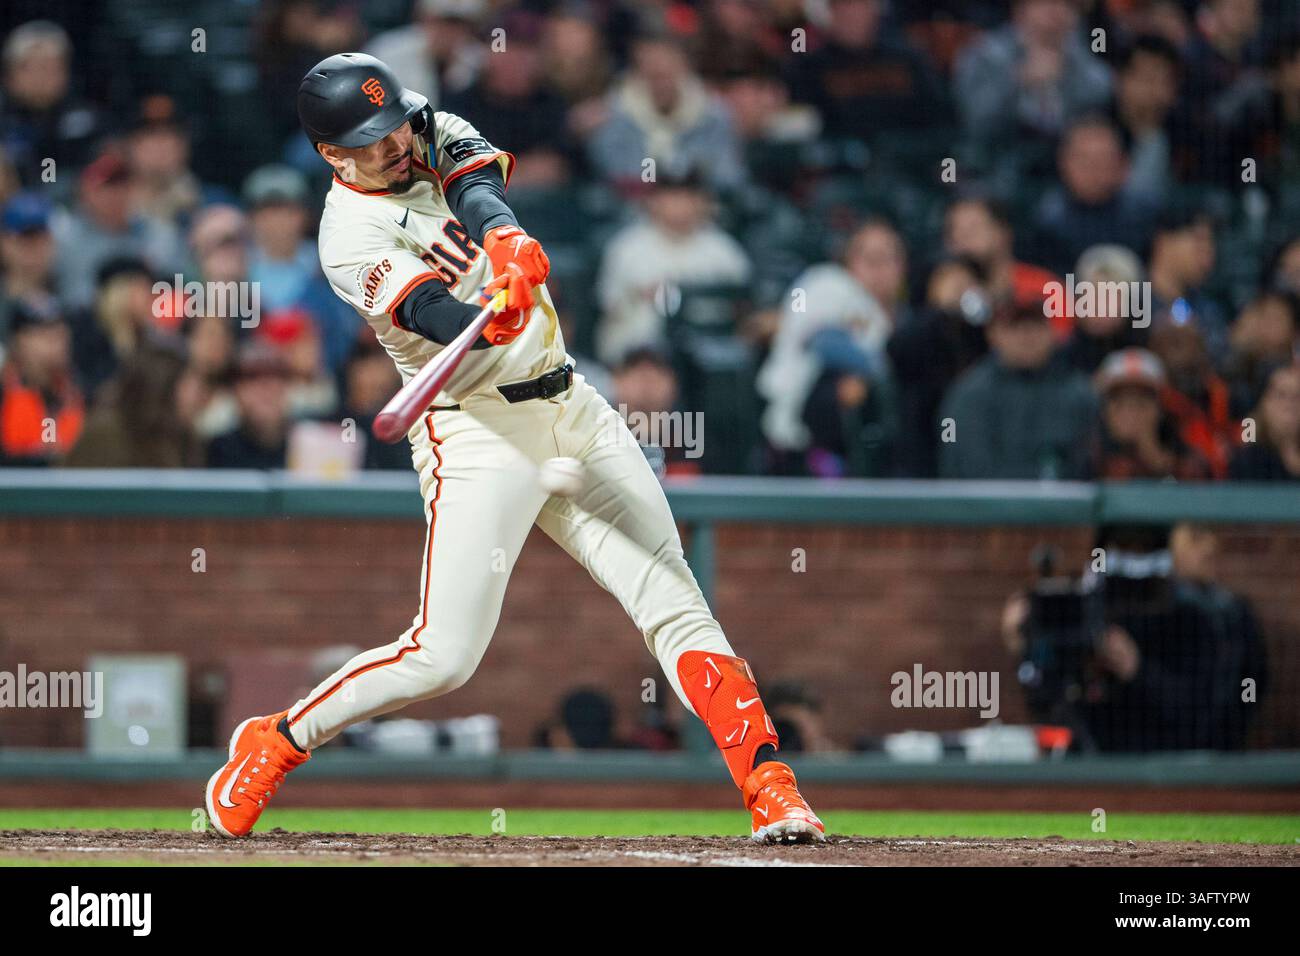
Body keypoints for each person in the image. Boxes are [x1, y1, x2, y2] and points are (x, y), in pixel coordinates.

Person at [204, 53, 823, 845]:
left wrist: (505, 239)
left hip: (573, 405)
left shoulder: (421, 127)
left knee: (672, 598)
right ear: (331, 155)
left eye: (395, 124)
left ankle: (771, 788)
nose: (395, 143)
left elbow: (472, 179)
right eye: (372, 138)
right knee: (444, 656)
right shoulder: (345, 235)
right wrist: (484, 319)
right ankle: (279, 739)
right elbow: (427, 311)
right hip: (473, 426)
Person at [593, 169, 750, 365]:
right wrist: (643, 295)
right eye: (672, 196)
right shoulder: (627, 247)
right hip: (643, 351)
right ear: (653, 201)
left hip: (707, 345)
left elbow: (742, 308)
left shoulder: (724, 250)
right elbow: (609, 306)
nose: (680, 204)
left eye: (688, 196)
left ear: (703, 201)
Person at [938, 296, 1096, 479]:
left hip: (1064, 505)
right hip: (985, 504)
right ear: (993, 334)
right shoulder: (968, 394)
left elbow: (1089, 466)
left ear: (1052, 333)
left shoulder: (1079, 393)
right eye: (1014, 326)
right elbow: (961, 462)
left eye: (1036, 326)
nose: (1027, 336)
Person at [1087, 347, 1211, 481]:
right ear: (1106, 410)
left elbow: (1201, 491)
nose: (1130, 412)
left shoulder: (1183, 454)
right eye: (1119, 401)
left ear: (1159, 409)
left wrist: (1155, 459)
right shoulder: (1090, 455)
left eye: (1141, 402)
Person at [0, 295, 82, 465]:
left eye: (59, 334)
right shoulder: (5, 390)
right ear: (18, 341)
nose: (54, 343)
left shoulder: (84, 392)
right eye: (42, 335)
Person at [1228, 363, 1300, 480]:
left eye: (1298, 396)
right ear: (1264, 403)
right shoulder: (1248, 461)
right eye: (1281, 395)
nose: (1290, 404)